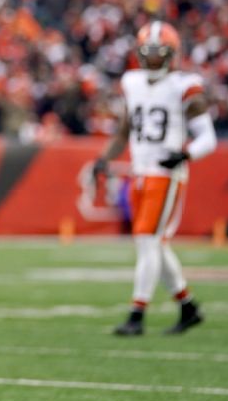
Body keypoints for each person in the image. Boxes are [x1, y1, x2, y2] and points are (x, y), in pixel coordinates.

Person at [91, 22, 215, 336]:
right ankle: (188, 308)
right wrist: (104, 159)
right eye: (147, 53)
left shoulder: (184, 86)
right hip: (140, 172)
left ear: (172, 55)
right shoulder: (132, 82)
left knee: (147, 242)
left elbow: (208, 138)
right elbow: (124, 129)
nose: (153, 59)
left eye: (159, 54)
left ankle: (137, 314)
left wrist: (184, 155)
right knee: (154, 246)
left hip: (166, 174)